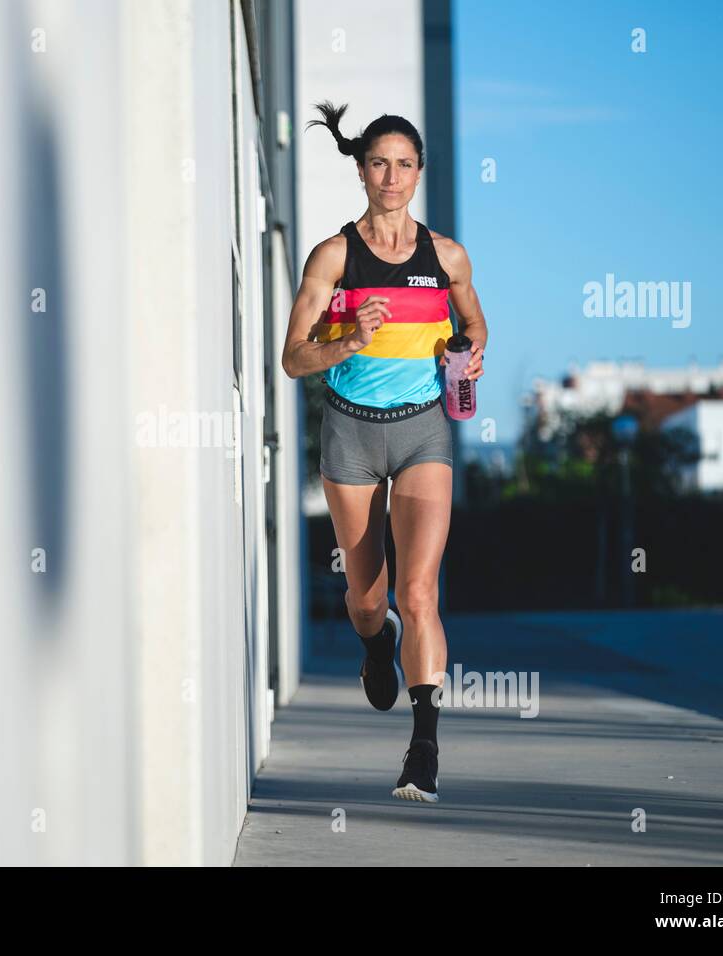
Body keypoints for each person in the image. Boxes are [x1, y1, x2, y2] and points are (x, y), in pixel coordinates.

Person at [280, 101, 488, 804]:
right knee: (369, 599)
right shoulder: (334, 257)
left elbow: (474, 322)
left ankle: (423, 747)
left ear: (419, 172)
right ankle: (375, 642)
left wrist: (471, 353)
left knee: (420, 590)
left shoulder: (447, 255)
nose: (391, 176)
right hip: (350, 434)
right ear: (362, 171)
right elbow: (292, 359)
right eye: (379, 163)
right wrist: (348, 340)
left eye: (404, 164)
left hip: (424, 427)